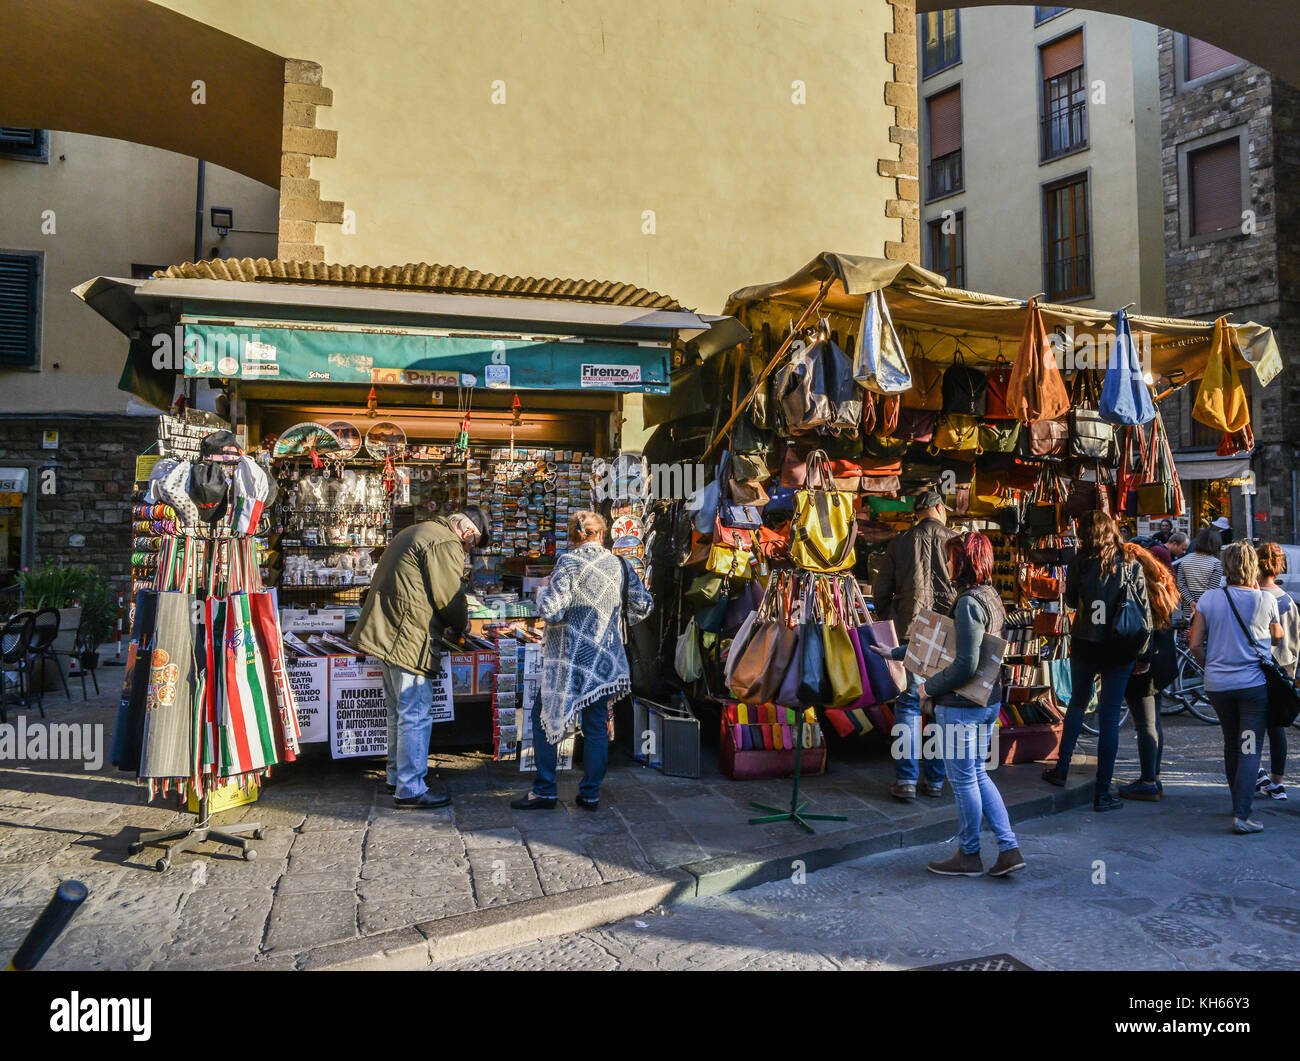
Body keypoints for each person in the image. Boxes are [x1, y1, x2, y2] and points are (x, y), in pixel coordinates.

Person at [511, 511, 653, 812]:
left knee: (543, 718)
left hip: (568, 661)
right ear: (602, 534)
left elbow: (550, 610)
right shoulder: (620, 564)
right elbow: (643, 605)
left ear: (574, 537)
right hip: (603, 661)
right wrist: (613, 623)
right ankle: (590, 794)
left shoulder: (569, 563)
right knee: (596, 726)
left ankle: (545, 790)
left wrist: (543, 588)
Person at [352, 507, 489, 808]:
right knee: (414, 714)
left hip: (387, 632)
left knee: (398, 712)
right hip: (408, 636)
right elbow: (448, 598)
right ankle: (411, 787)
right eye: (471, 546)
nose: (468, 551)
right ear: (468, 533)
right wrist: (462, 622)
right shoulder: (444, 542)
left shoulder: (419, 530)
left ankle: (395, 777)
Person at [912, 532, 1024, 878]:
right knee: (976, 773)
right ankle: (1008, 849)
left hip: (962, 704)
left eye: (951, 558)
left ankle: (969, 854)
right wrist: (899, 653)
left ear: (963, 561)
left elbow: (965, 663)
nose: (947, 565)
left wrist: (928, 688)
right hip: (987, 701)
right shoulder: (990, 596)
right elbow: (952, 649)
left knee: (962, 780)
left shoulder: (968, 603)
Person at [1043, 511, 1152, 811]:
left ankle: (1061, 769)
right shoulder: (1130, 563)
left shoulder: (1079, 561)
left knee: (1077, 705)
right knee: (1109, 719)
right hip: (1118, 647)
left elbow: (1071, 599)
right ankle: (1102, 792)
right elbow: (1144, 613)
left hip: (1085, 642)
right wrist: (1143, 653)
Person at [1188, 541, 1283, 833]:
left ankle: (1237, 802)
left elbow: (1194, 644)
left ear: (1225, 568)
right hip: (1252, 685)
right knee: (1249, 746)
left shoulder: (1208, 599)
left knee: (1232, 743)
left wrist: (1211, 664)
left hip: (1218, 685)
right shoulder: (1265, 600)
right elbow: (1278, 637)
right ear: (1252, 567)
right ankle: (1242, 814)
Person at [871, 487, 956, 802]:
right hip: (947, 633)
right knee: (938, 708)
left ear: (918, 512)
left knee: (908, 705)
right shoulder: (954, 540)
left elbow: (882, 590)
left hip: (912, 631)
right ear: (938, 508)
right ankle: (934, 782)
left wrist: (890, 620)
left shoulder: (902, 541)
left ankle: (906, 781)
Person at [1118, 542, 1180, 801]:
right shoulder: (1162, 584)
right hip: (1163, 659)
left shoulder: (1135, 587)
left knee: (1145, 723)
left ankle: (1148, 780)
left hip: (1145, 663)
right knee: (1153, 722)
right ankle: (1153, 776)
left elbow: (1138, 627)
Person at [1254, 543, 1299, 800]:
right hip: (1284, 669)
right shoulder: (1289, 601)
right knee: (1277, 727)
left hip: (1259, 670)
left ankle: (1255, 770)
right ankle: (1277, 780)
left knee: (1251, 723)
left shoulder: (1256, 598)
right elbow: (1294, 641)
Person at [1176, 527, 1224, 612]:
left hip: (1189, 608)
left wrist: (1191, 601)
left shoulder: (1184, 560)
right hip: (1208, 609)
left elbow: (1180, 584)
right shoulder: (1216, 564)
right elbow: (1212, 590)